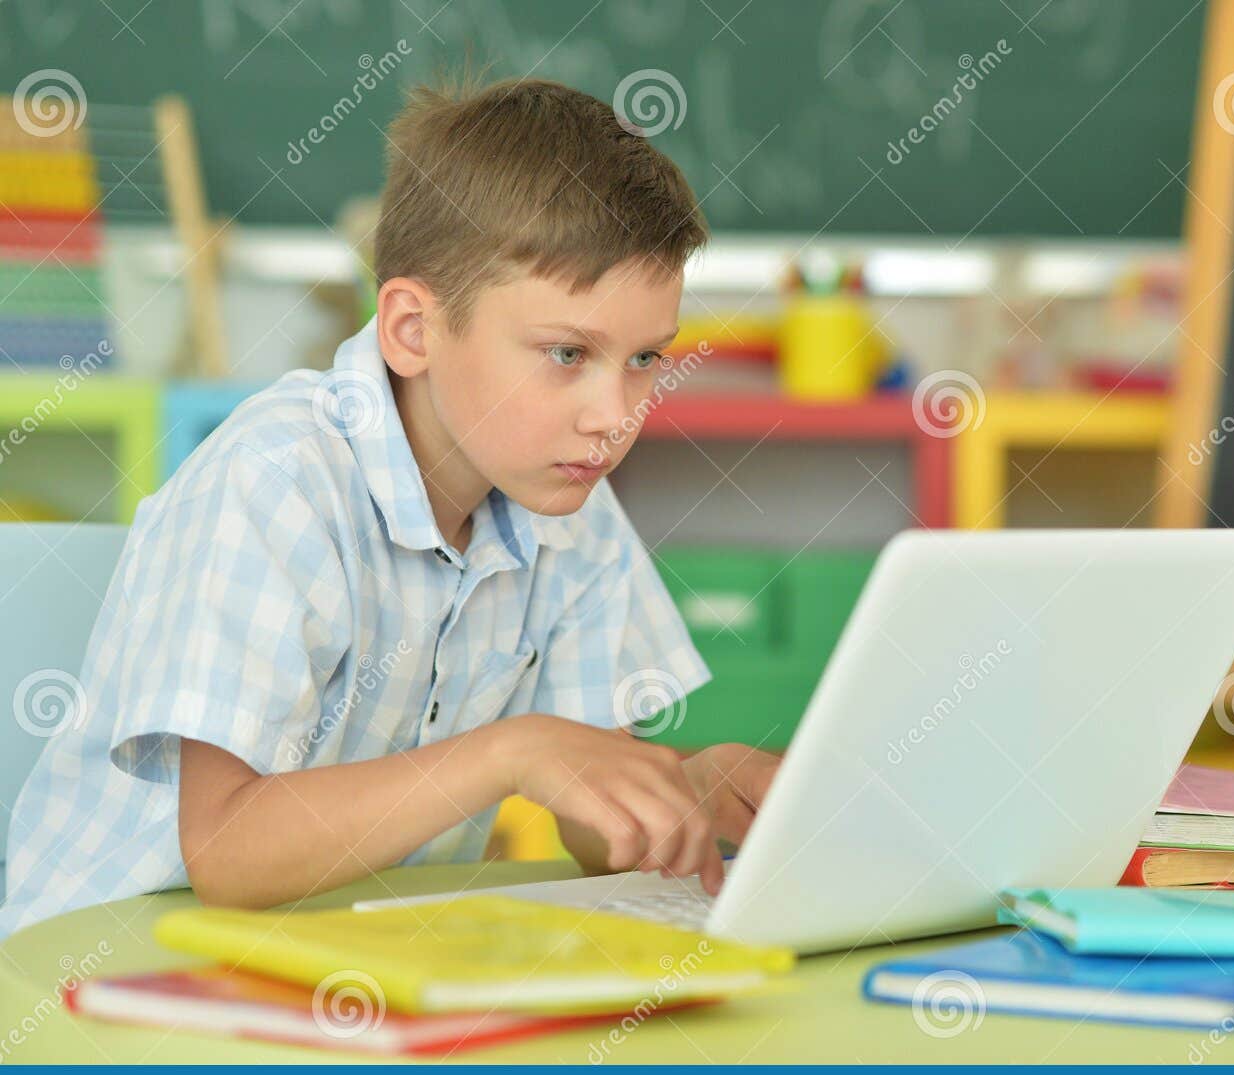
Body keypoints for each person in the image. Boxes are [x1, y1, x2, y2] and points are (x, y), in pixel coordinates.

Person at [0, 76, 778, 938]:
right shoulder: (277, 478)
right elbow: (224, 849)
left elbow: (591, 824)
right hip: (100, 959)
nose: (614, 415)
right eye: (566, 353)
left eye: (643, 360)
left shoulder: (569, 506)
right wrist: (512, 751)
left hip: (339, 955)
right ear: (412, 330)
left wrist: (678, 789)